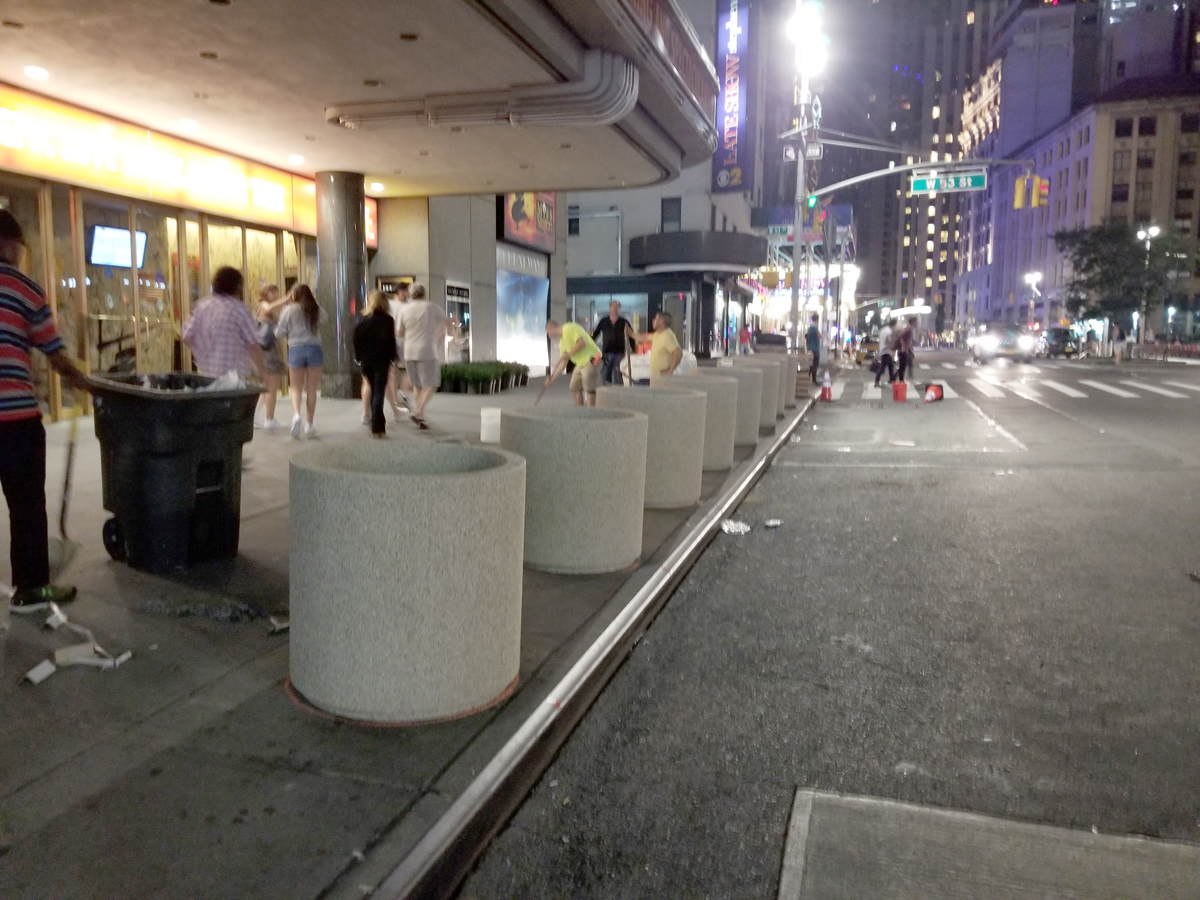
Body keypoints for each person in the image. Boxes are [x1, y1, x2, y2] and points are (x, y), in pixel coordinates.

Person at [0, 210, 93, 608]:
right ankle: (32, 587)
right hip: (15, 421)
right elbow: (54, 352)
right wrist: (80, 379)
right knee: (26, 506)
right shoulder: (24, 289)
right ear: (10, 244)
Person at [182, 266, 266, 381]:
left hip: (207, 375)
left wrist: (202, 355)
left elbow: (186, 336)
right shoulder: (239, 309)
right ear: (237, 286)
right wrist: (262, 370)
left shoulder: (201, 306)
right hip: (234, 377)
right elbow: (253, 343)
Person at [275, 283, 326, 439]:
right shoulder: (315, 309)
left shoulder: (289, 310)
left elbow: (278, 333)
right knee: (311, 388)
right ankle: (309, 424)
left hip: (296, 349)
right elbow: (325, 318)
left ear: (294, 295)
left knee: (296, 387)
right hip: (314, 348)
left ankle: (296, 415)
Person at [397, 283, 450, 429]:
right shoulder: (430, 307)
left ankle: (420, 417)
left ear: (411, 294)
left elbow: (399, 333)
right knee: (432, 383)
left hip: (409, 351)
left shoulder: (404, 309)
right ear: (424, 293)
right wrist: (438, 334)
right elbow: (447, 322)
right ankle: (418, 411)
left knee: (417, 385)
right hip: (426, 350)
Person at [354, 291, 399, 438]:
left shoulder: (363, 319)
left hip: (367, 361)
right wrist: (392, 358)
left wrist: (358, 357)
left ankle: (377, 422)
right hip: (382, 360)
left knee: (373, 389)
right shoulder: (388, 320)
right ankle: (378, 426)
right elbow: (391, 342)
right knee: (379, 391)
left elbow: (357, 338)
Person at [253, 284, 287, 430]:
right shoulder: (263, 305)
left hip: (268, 349)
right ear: (266, 293)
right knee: (272, 386)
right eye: (273, 292)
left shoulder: (264, 308)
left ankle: (255, 414)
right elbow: (268, 308)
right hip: (267, 351)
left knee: (266, 387)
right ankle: (269, 418)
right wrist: (286, 299)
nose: (276, 295)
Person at [545, 319, 602, 405]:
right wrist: (552, 379)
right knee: (574, 386)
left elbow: (582, 343)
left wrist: (568, 354)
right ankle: (580, 410)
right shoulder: (562, 343)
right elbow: (562, 364)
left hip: (595, 357)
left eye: (548, 333)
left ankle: (591, 410)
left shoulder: (569, 328)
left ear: (551, 328)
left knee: (588, 382)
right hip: (581, 363)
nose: (549, 336)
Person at [592, 300, 636, 385]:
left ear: (619, 309)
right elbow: (595, 335)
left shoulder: (624, 322)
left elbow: (631, 336)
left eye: (617, 307)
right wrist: (590, 347)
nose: (615, 309)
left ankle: (617, 394)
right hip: (606, 353)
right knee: (605, 375)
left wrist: (633, 349)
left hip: (619, 353)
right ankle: (606, 393)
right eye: (613, 307)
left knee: (618, 375)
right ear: (610, 308)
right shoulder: (603, 321)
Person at [633, 311, 682, 377]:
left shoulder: (667, 335)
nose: (653, 320)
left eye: (655, 318)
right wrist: (630, 333)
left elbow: (678, 353)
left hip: (664, 377)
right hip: (657, 376)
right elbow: (643, 339)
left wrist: (670, 370)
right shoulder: (657, 334)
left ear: (661, 321)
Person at [874, 320, 895, 387]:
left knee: (890, 366)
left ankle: (892, 379)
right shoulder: (889, 332)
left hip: (883, 349)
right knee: (882, 367)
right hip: (886, 350)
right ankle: (877, 381)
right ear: (894, 324)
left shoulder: (883, 330)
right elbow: (889, 341)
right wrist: (892, 347)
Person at [896, 316, 917, 382]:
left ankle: (908, 377)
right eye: (915, 322)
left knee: (906, 364)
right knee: (904, 365)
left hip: (906, 349)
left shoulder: (909, 329)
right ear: (913, 322)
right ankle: (898, 377)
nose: (916, 323)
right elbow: (900, 336)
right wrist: (903, 345)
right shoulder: (908, 329)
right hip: (904, 350)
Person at [805, 314, 821, 384]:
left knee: (811, 365)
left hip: (810, 349)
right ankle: (814, 380)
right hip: (815, 348)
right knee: (815, 364)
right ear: (817, 319)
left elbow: (807, 337)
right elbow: (818, 336)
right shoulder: (814, 327)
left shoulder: (810, 328)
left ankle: (808, 378)